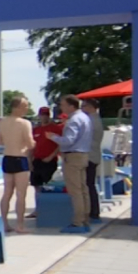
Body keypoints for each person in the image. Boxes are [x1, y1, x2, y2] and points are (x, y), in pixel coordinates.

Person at [47, 95, 93, 234]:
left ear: (71, 106)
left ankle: (78, 222)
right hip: (83, 155)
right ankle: (85, 219)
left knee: (75, 191)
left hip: (72, 156)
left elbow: (68, 140)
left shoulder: (73, 120)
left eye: (63, 105)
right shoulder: (85, 118)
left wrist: (52, 137)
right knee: (83, 189)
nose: (61, 107)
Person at [0, 95, 35, 234]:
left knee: (7, 193)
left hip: (7, 158)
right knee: (21, 194)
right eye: (25, 106)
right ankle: (20, 225)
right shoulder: (25, 123)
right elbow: (30, 143)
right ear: (17, 107)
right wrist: (31, 144)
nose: (27, 109)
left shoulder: (2, 122)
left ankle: (5, 224)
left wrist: (10, 141)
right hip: (20, 158)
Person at [28, 106, 63, 217]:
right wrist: (29, 161)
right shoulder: (36, 130)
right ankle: (38, 210)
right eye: (42, 115)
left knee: (48, 186)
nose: (44, 117)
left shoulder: (55, 129)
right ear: (39, 116)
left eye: (46, 115)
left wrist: (51, 156)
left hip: (49, 161)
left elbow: (60, 144)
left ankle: (49, 210)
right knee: (36, 186)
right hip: (37, 161)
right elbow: (32, 146)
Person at [81, 99, 105, 223]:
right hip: (93, 155)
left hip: (89, 156)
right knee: (90, 184)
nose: (82, 109)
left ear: (90, 107)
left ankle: (93, 211)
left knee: (88, 185)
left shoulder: (90, 121)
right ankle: (93, 211)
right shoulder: (95, 120)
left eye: (83, 106)